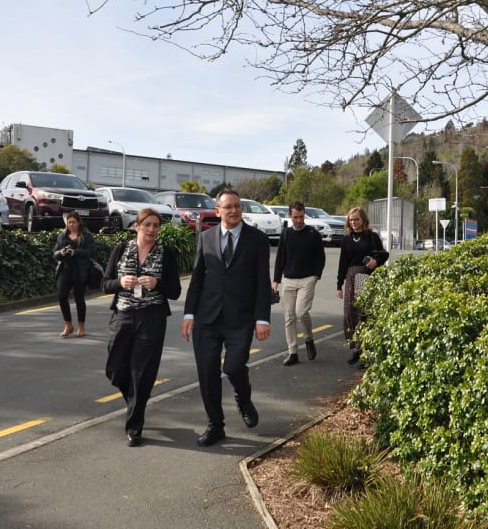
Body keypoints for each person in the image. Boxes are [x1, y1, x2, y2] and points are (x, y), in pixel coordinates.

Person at [181, 189, 271, 447]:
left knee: (232, 367)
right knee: (207, 374)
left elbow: (262, 283)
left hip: (240, 319)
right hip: (206, 318)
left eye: (237, 206)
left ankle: (243, 399)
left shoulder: (257, 240)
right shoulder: (206, 237)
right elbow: (196, 278)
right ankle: (215, 425)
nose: (233, 210)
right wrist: (189, 314)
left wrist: (262, 319)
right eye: (228, 207)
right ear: (218, 211)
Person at [103, 208, 181, 447]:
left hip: (152, 318)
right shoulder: (121, 249)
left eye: (156, 225)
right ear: (136, 226)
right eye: (147, 224)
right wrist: (120, 282)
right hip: (123, 315)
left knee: (142, 373)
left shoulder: (166, 253)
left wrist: (157, 283)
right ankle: (134, 403)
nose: (152, 229)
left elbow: (175, 291)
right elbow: (105, 284)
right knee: (115, 370)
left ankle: (134, 426)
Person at [272, 200, 326, 366]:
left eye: (301, 217)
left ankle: (308, 339)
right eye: (295, 217)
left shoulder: (313, 234)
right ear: (290, 215)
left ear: (304, 214)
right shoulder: (286, 234)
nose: (298, 220)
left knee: (301, 312)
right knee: (289, 316)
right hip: (288, 279)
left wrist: (316, 275)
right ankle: (292, 351)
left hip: (307, 279)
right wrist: (276, 279)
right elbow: (280, 256)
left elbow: (321, 257)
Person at [336, 206, 389, 365]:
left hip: (364, 276)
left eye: (356, 219)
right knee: (349, 314)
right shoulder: (346, 240)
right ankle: (355, 348)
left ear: (363, 220)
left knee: (363, 314)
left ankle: (364, 351)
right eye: (351, 220)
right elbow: (342, 263)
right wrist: (339, 285)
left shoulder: (371, 237)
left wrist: (376, 261)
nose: (353, 222)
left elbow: (383, 254)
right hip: (351, 277)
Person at [53, 210, 97, 338]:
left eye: (73, 222)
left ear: (79, 223)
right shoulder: (62, 235)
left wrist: (76, 252)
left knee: (79, 299)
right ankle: (68, 325)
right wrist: (60, 253)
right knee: (62, 297)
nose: (71, 224)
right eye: (69, 222)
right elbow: (54, 253)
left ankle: (81, 326)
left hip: (80, 271)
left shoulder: (86, 235)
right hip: (65, 270)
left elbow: (92, 252)